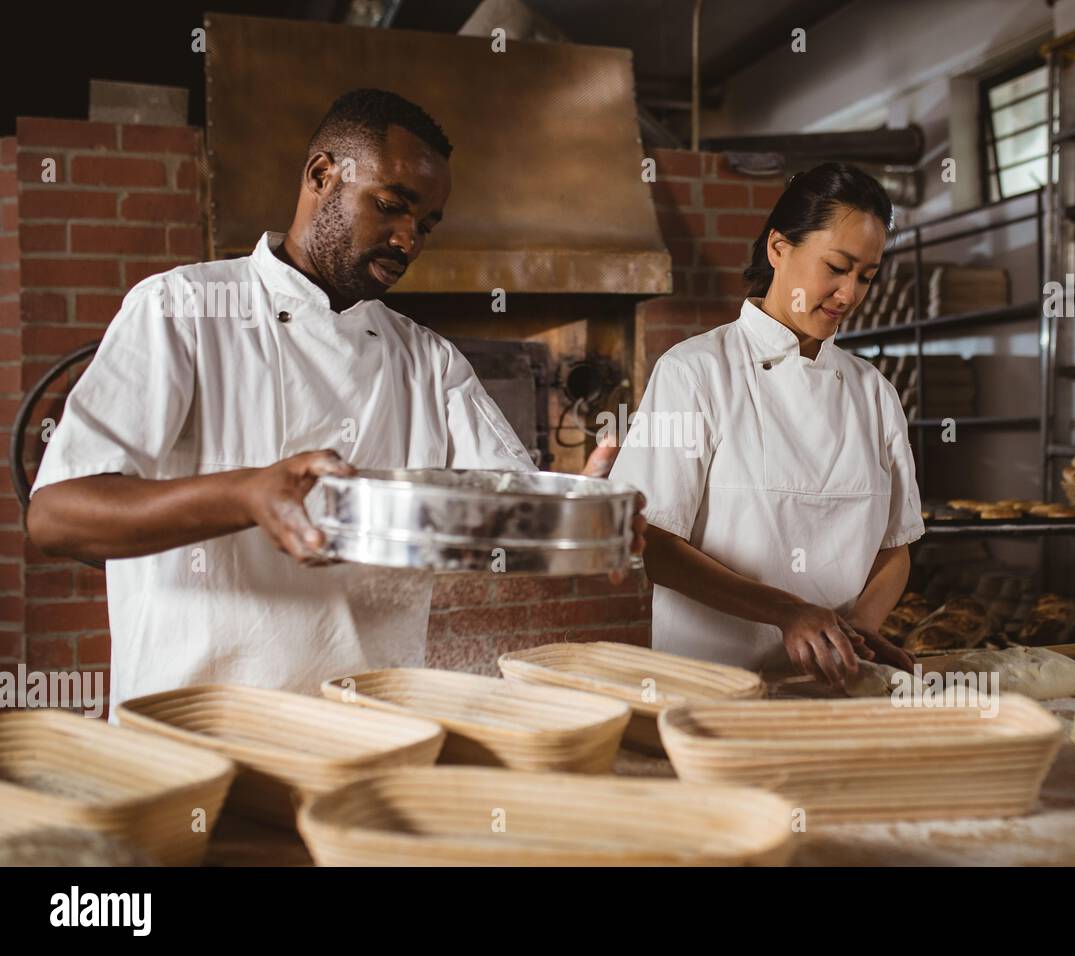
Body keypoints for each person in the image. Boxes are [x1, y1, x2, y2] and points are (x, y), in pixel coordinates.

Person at [25, 89, 643, 719]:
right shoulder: (181, 309)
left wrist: (584, 512)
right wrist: (244, 495)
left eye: (426, 224)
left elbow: (506, 509)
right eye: (392, 207)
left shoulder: (426, 360)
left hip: (367, 733)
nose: (409, 242)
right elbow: (58, 516)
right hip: (190, 732)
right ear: (323, 175)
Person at [609, 163, 921, 691]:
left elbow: (896, 547)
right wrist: (788, 612)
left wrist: (854, 635)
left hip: (831, 686)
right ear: (779, 248)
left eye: (866, 276)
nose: (849, 294)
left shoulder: (874, 392)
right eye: (836, 267)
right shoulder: (695, 371)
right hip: (709, 688)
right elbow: (654, 544)